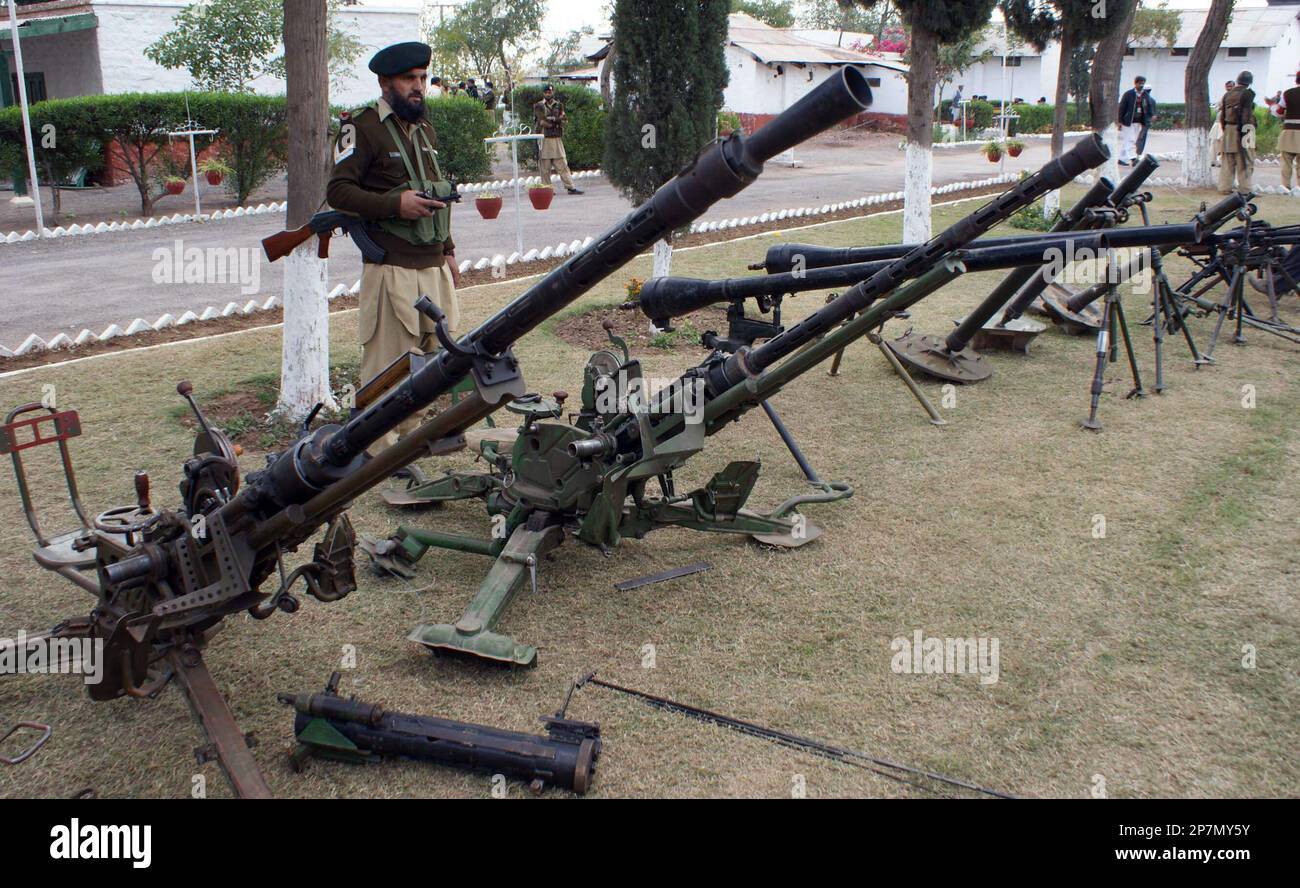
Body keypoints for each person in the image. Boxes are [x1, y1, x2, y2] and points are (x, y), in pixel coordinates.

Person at [325, 41, 462, 457]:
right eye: (409, 79)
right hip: (392, 272)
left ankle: (406, 450)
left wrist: (450, 250)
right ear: (386, 82)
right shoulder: (360, 128)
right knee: (388, 371)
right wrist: (394, 204)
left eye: (422, 78)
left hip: (433, 267)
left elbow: (438, 197)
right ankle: (376, 457)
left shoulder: (424, 129)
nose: (419, 87)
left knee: (430, 367)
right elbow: (338, 191)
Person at [534, 84, 584, 195]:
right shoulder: (539, 105)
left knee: (562, 164)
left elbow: (564, 119)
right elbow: (542, 122)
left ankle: (570, 187)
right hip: (544, 138)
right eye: (546, 92)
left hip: (556, 138)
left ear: (553, 92)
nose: (548, 94)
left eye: (550, 92)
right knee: (545, 167)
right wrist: (556, 121)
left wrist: (554, 120)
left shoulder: (558, 105)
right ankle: (547, 189)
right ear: (543, 93)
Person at [1216, 70, 1256, 194]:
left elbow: (1222, 116)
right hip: (1244, 129)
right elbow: (1246, 114)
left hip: (1228, 129)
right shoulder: (1248, 94)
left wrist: (1226, 130)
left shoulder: (1227, 94)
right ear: (1249, 83)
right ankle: (1245, 189)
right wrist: (1245, 133)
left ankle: (1224, 187)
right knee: (1245, 160)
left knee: (1228, 161)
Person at [1265, 72, 1300, 193]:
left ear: (1296, 80)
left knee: (1286, 162)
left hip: (1289, 131)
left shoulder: (1288, 93)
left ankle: (1285, 186)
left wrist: (1272, 106)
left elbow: (1279, 111)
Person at [1118, 75, 1156, 165]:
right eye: (1140, 83)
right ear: (1135, 83)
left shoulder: (1145, 95)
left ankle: (1121, 159)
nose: (1141, 85)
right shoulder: (1128, 94)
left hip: (1138, 121)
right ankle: (1133, 158)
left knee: (1129, 140)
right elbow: (1122, 107)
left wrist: (1152, 115)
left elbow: (1149, 106)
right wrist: (1119, 121)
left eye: (1143, 83)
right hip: (1127, 121)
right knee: (1130, 139)